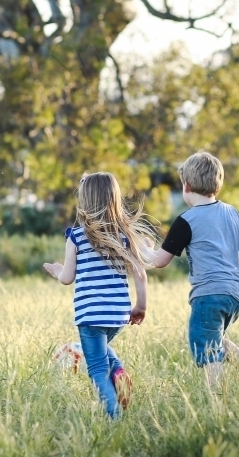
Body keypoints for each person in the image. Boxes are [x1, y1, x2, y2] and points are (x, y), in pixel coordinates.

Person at [146, 151, 239, 388]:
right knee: (215, 338)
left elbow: (160, 260)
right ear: (217, 186)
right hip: (237, 293)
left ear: (186, 186)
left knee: (205, 344)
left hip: (209, 294)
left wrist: (141, 250)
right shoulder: (233, 213)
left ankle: (217, 399)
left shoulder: (186, 220)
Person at [43, 172, 156, 419]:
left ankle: (113, 416)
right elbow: (140, 273)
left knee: (96, 368)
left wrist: (56, 270)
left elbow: (67, 278)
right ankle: (118, 372)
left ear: (84, 200)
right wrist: (141, 307)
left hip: (90, 315)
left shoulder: (76, 236)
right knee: (102, 351)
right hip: (118, 314)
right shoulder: (124, 236)